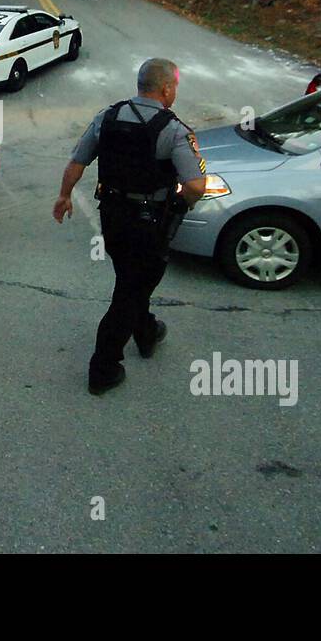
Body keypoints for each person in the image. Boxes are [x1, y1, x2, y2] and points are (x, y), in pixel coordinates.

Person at [53, 58, 207, 395]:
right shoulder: (174, 129)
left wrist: (64, 196)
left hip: (112, 217)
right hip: (149, 224)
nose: (175, 92)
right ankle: (103, 369)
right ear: (166, 88)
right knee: (129, 292)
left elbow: (77, 161)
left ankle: (147, 333)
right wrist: (182, 203)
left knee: (131, 279)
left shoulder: (107, 117)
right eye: (175, 87)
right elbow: (196, 186)